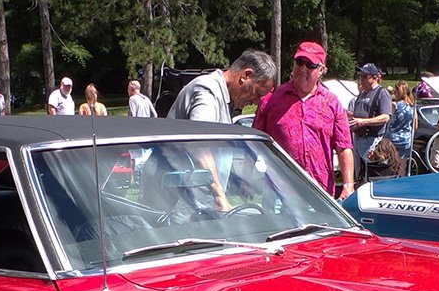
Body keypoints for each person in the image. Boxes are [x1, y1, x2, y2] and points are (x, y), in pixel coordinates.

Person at [252, 40, 354, 198]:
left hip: (320, 191)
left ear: (321, 70)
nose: (303, 69)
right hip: (278, 191)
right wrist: (246, 182)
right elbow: (253, 143)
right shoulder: (271, 100)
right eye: (299, 62)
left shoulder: (332, 103)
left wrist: (348, 185)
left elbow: (344, 147)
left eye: (310, 65)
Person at [168, 49, 277, 123]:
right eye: (258, 93)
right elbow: (200, 145)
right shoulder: (208, 93)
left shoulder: (227, 97)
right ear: (246, 75)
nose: (257, 101)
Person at [348, 63, 393, 182]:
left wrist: (364, 122)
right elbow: (359, 114)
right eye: (360, 76)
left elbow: (385, 117)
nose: (361, 79)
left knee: (371, 173)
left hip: (372, 140)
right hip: (358, 138)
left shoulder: (382, 93)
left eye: (364, 76)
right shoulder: (362, 94)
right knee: (359, 173)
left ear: (374, 78)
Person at [385, 80, 416, 169]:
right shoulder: (412, 107)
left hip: (392, 139)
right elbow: (415, 125)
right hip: (406, 139)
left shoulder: (395, 105)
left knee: (390, 165)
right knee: (403, 166)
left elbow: (387, 118)